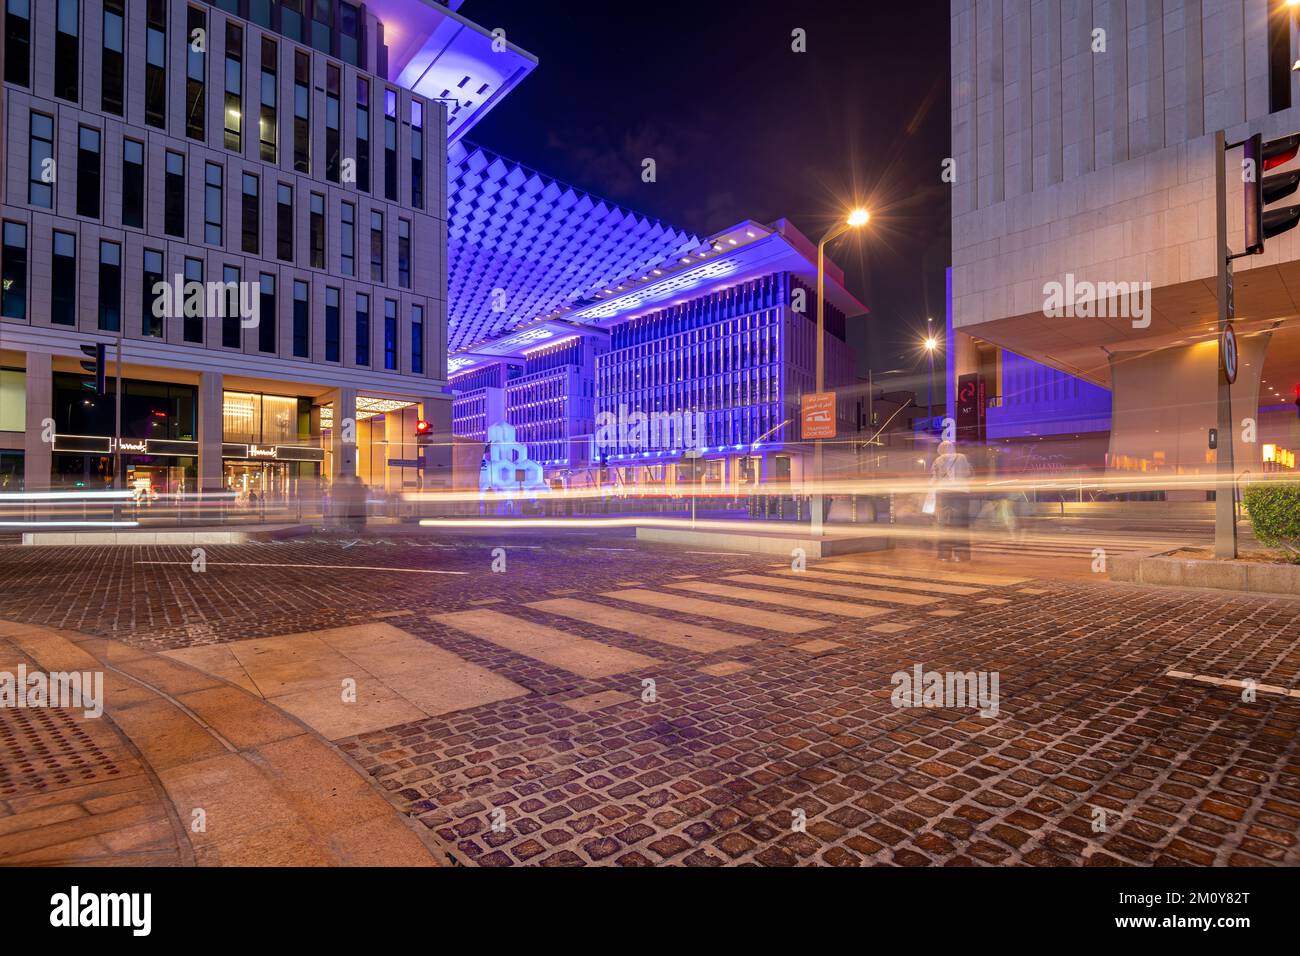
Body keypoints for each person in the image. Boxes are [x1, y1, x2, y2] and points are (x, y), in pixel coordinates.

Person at [931, 440, 973, 562]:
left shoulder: (937, 461)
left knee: (944, 524)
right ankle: (962, 555)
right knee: (961, 524)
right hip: (961, 493)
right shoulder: (962, 457)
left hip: (943, 493)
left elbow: (934, 478)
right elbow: (968, 473)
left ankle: (944, 555)